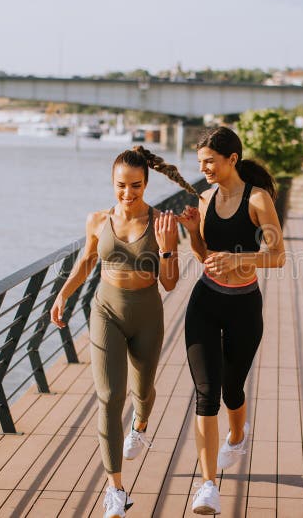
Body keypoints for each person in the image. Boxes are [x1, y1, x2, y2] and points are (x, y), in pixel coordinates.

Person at [50, 146, 199, 518]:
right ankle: (115, 488)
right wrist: (63, 295)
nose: (127, 194)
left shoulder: (162, 222)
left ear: (146, 183)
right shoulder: (98, 219)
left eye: (135, 186)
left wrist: (167, 250)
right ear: (112, 183)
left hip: (147, 314)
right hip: (105, 312)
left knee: (142, 390)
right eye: (121, 186)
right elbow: (86, 260)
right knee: (110, 396)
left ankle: (142, 421)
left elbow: (170, 283)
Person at [177, 126, 286, 515]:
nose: (203, 168)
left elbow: (278, 256)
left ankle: (238, 434)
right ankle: (208, 486)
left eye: (209, 161)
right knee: (206, 394)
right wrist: (192, 234)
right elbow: (204, 254)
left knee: (231, 389)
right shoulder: (205, 199)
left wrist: (240, 258)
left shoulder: (257, 200)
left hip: (243, 306)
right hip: (205, 301)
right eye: (200, 162)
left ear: (232, 159)